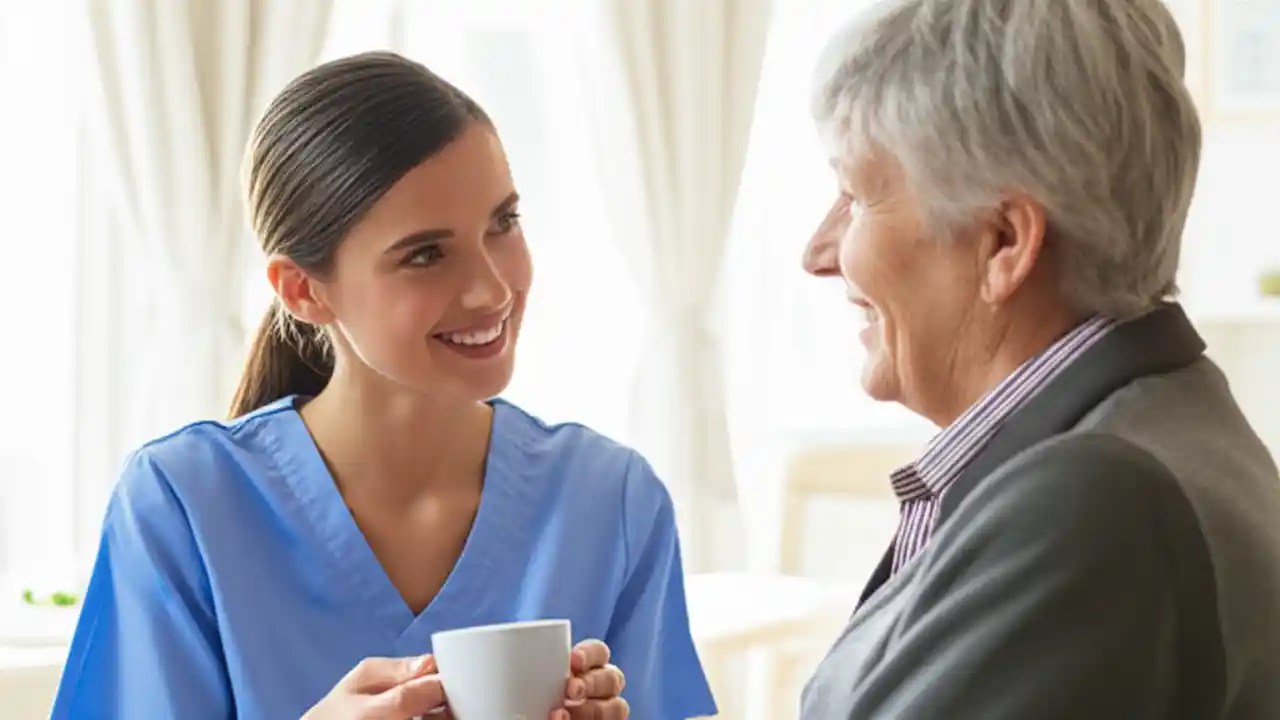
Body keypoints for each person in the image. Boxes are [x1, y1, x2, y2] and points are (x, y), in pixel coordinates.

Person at [52, 52, 714, 720]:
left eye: (503, 224)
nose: (491, 288)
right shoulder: (181, 506)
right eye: (426, 254)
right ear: (304, 290)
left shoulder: (611, 503)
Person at [791, 0, 1280, 717]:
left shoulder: (1092, 503)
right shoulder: (1165, 430)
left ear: (1004, 244)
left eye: (855, 197)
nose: (818, 253)